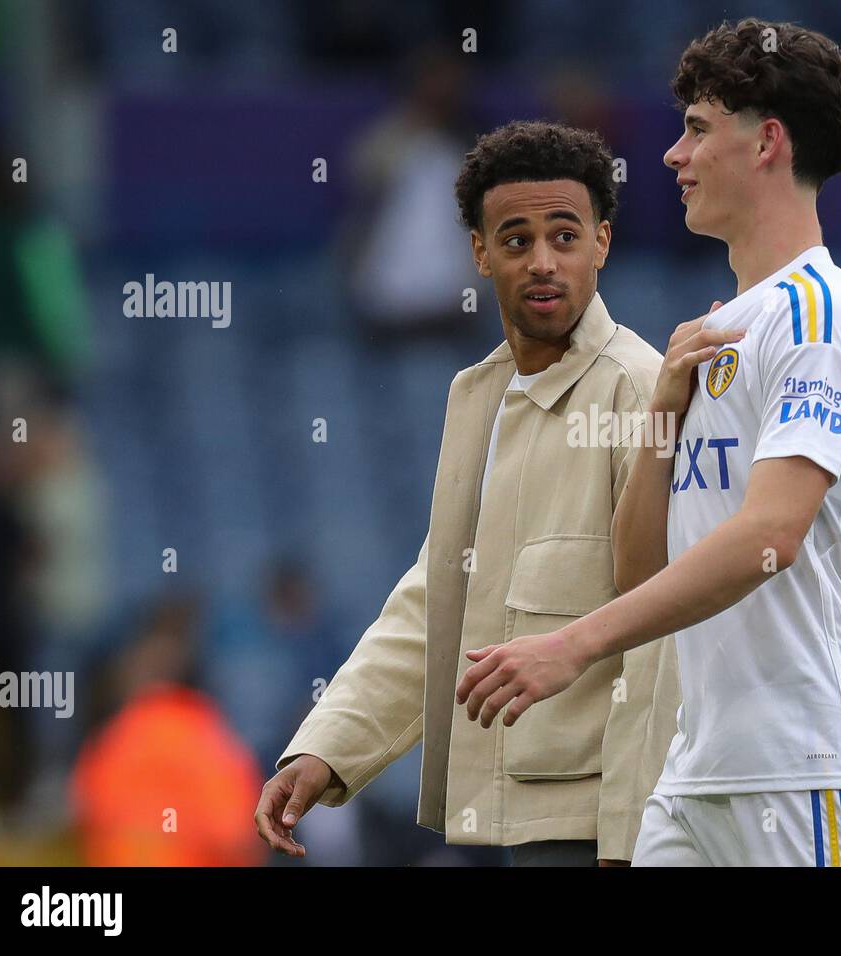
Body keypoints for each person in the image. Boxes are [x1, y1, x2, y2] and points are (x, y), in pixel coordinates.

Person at [458, 19, 841, 867]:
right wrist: (663, 420)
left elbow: (772, 536)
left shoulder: (820, 313)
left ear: (767, 143)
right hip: (695, 772)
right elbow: (639, 576)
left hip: (803, 766)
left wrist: (571, 644)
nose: (672, 155)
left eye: (697, 128)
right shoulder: (715, 336)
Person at [257, 121, 680, 867]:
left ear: (603, 244)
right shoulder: (481, 398)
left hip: (610, 833)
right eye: (517, 240)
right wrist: (326, 748)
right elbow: (438, 603)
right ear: (480, 254)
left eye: (565, 237)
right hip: (525, 823)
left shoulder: (642, 393)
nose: (543, 261)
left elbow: (664, 634)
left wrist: (627, 835)